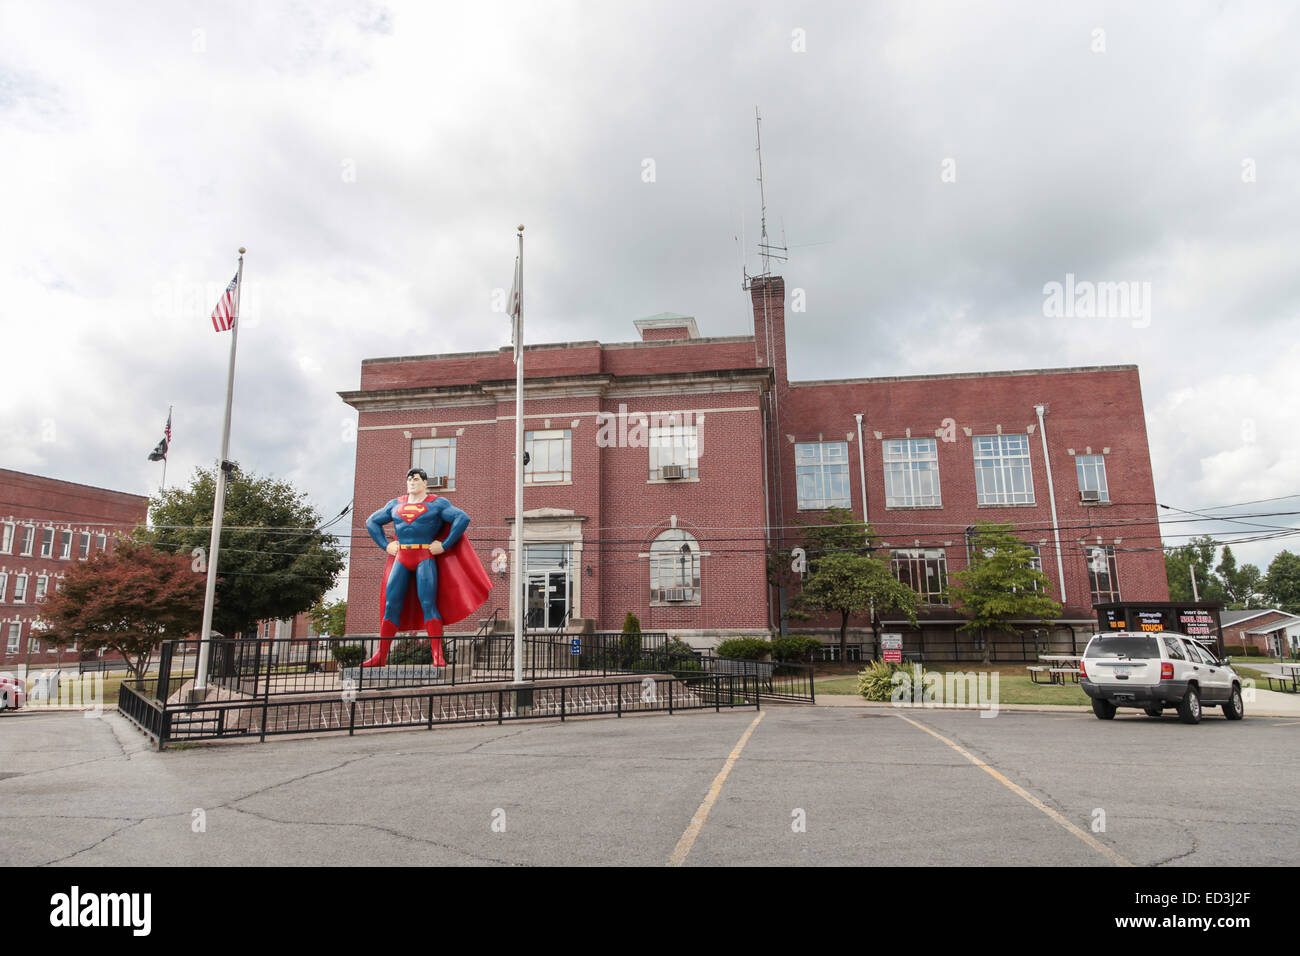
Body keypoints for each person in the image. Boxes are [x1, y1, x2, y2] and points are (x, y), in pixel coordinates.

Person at [364, 468, 491, 667]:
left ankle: (437, 655)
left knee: (429, 605)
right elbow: (371, 522)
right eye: (409, 479)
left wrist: (445, 544)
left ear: (425, 482)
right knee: (390, 605)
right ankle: (381, 655)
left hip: (425, 557)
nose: (411, 482)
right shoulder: (395, 504)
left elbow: (462, 518)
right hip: (402, 557)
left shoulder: (437, 503)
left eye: (415, 479)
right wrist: (386, 545)